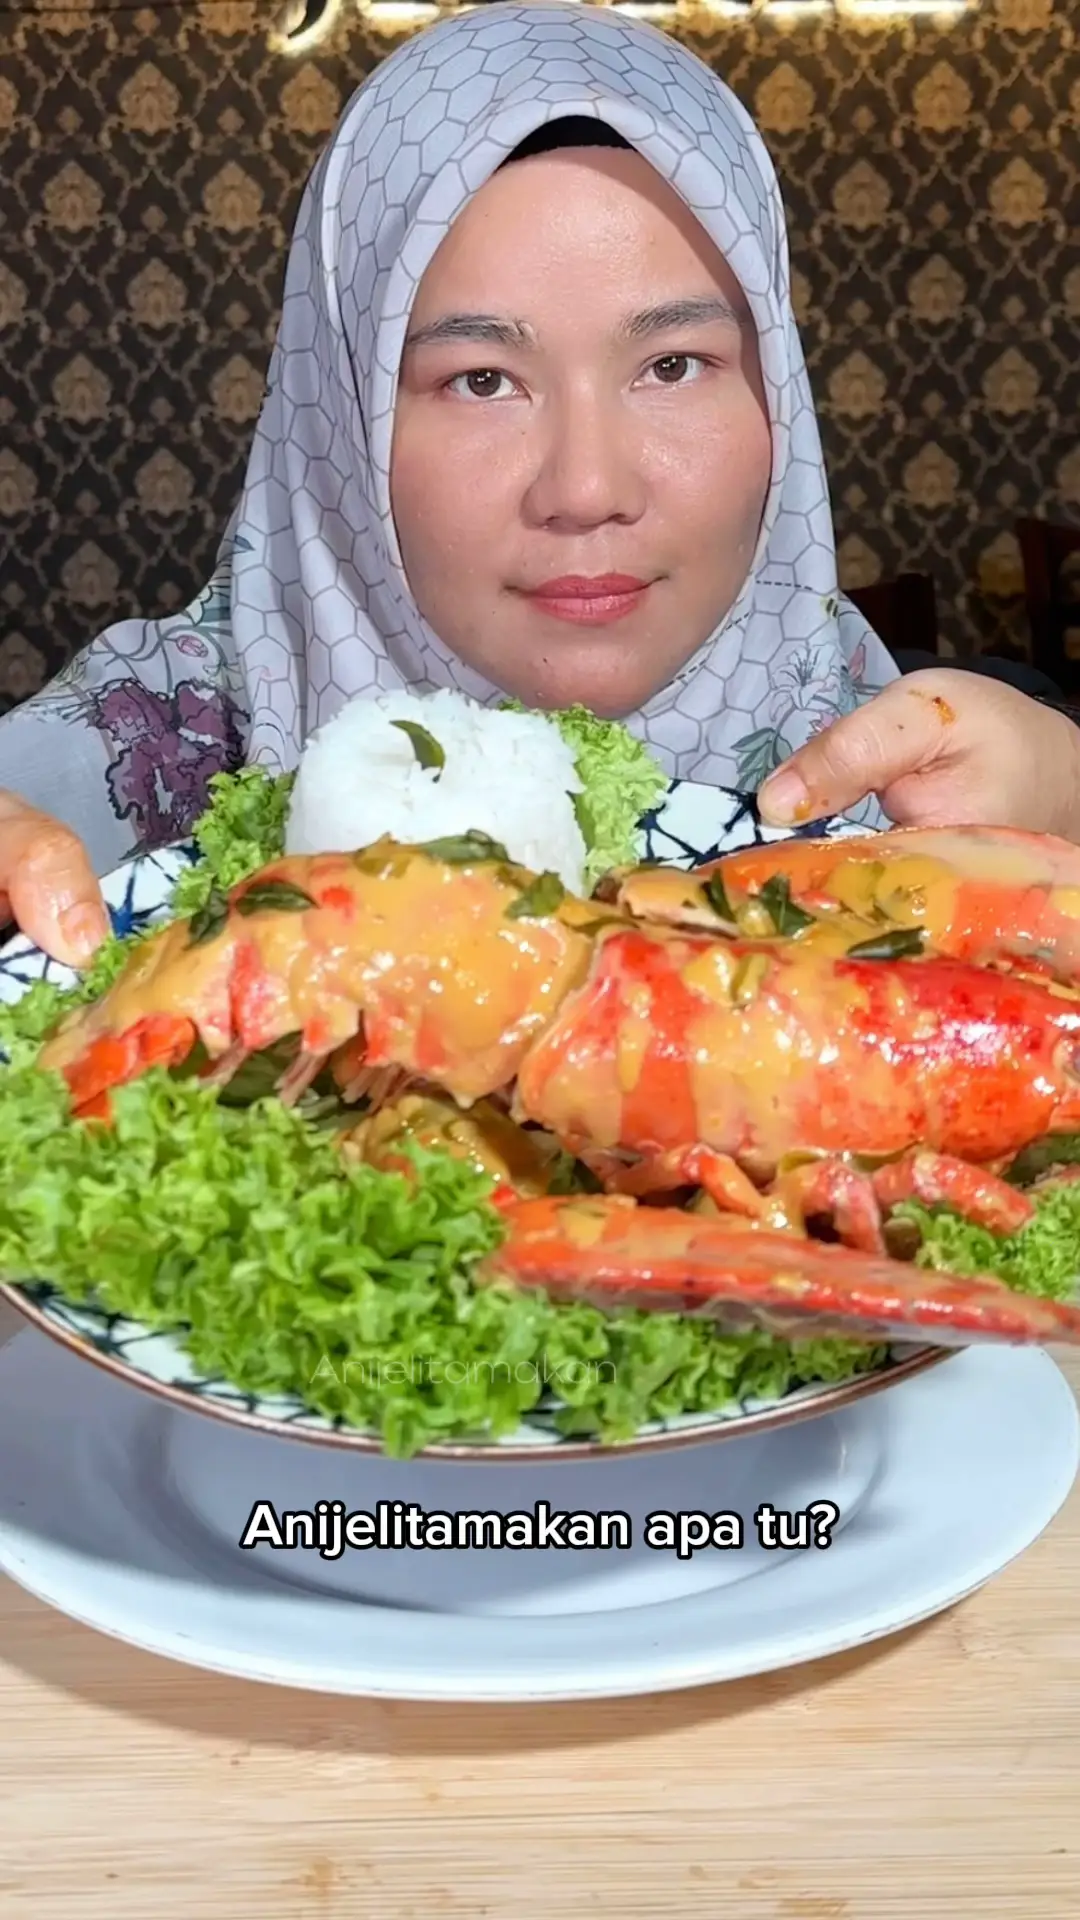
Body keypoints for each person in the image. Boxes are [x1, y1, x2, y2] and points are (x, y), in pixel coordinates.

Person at [1, 2, 1077, 969]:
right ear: (338, 422)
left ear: (777, 393)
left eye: (672, 365)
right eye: (481, 380)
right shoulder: (149, 746)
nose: (587, 487)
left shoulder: (935, 758)